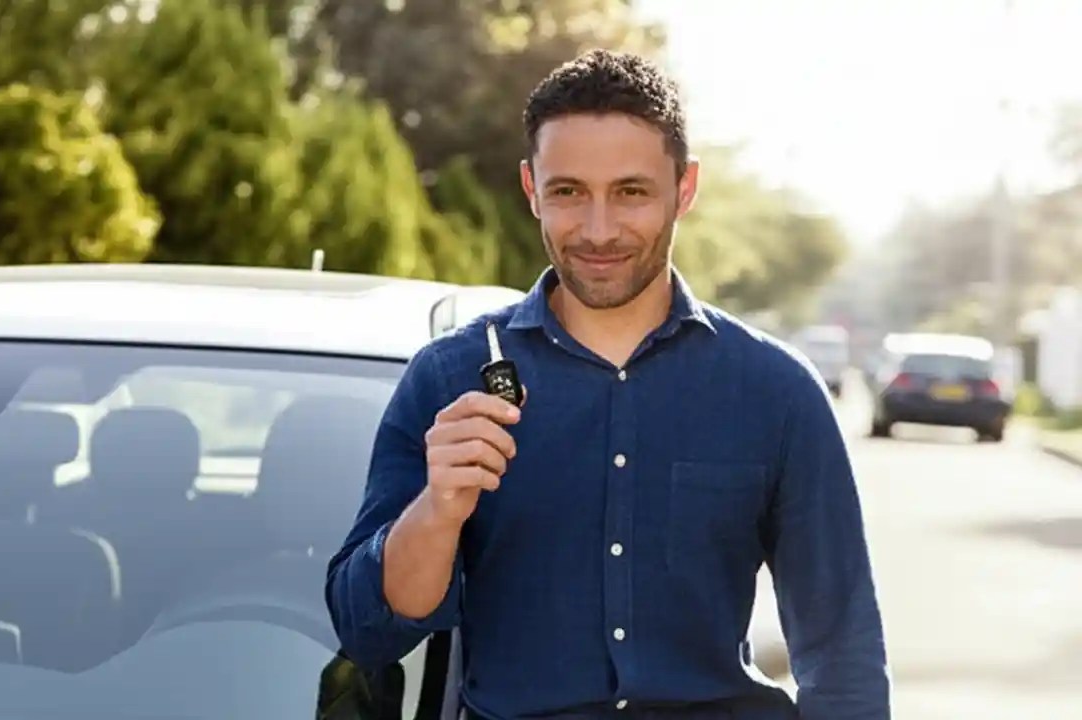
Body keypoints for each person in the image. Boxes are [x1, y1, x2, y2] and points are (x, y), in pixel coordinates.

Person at [325, 48, 890, 719]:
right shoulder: (449, 378)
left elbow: (842, 651)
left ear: (684, 189)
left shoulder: (777, 392)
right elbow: (367, 630)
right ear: (532, 188)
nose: (598, 230)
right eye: (568, 192)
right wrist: (438, 509)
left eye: (630, 192)